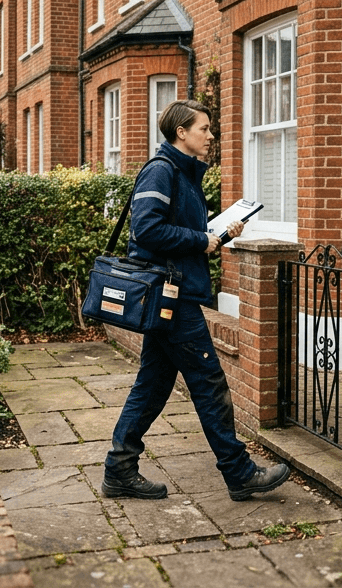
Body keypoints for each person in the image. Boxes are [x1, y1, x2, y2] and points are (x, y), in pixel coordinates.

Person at [101, 99, 290, 502]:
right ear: (181, 132)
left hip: (175, 293)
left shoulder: (183, 173)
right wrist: (200, 240)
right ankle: (239, 472)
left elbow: (176, 230)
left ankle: (119, 467)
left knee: (152, 385)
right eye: (203, 128)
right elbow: (147, 230)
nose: (210, 135)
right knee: (208, 383)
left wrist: (217, 234)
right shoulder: (161, 170)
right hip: (172, 297)